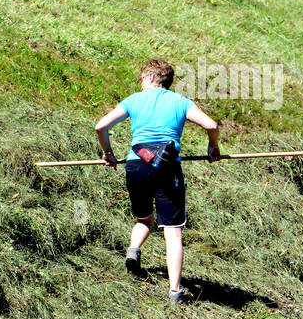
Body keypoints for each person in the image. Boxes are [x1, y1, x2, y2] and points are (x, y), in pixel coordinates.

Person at [94, 59, 221, 303]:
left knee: (144, 218)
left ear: (151, 78)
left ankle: (134, 252)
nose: (140, 83)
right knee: (173, 233)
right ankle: (175, 292)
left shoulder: (134, 100)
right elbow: (211, 125)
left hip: (136, 166)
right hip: (167, 168)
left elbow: (101, 126)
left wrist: (108, 153)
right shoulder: (180, 102)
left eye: (141, 78)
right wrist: (213, 146)